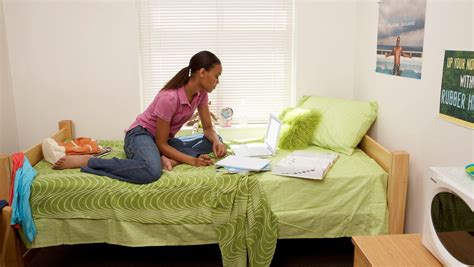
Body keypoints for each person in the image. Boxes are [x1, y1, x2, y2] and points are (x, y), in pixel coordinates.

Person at [53, 51, 227, 184]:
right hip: (140, 135)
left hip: (161, 141)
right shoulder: (169, 98)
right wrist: (192, 161)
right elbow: (162, 144)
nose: (218, 81)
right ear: (202, 72)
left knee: (212, 140)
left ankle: (169, 158)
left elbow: (208, 129)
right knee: (150, 171)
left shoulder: (200, 94)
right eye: (217, 76)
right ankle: (90, 161)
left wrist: (217, 143)